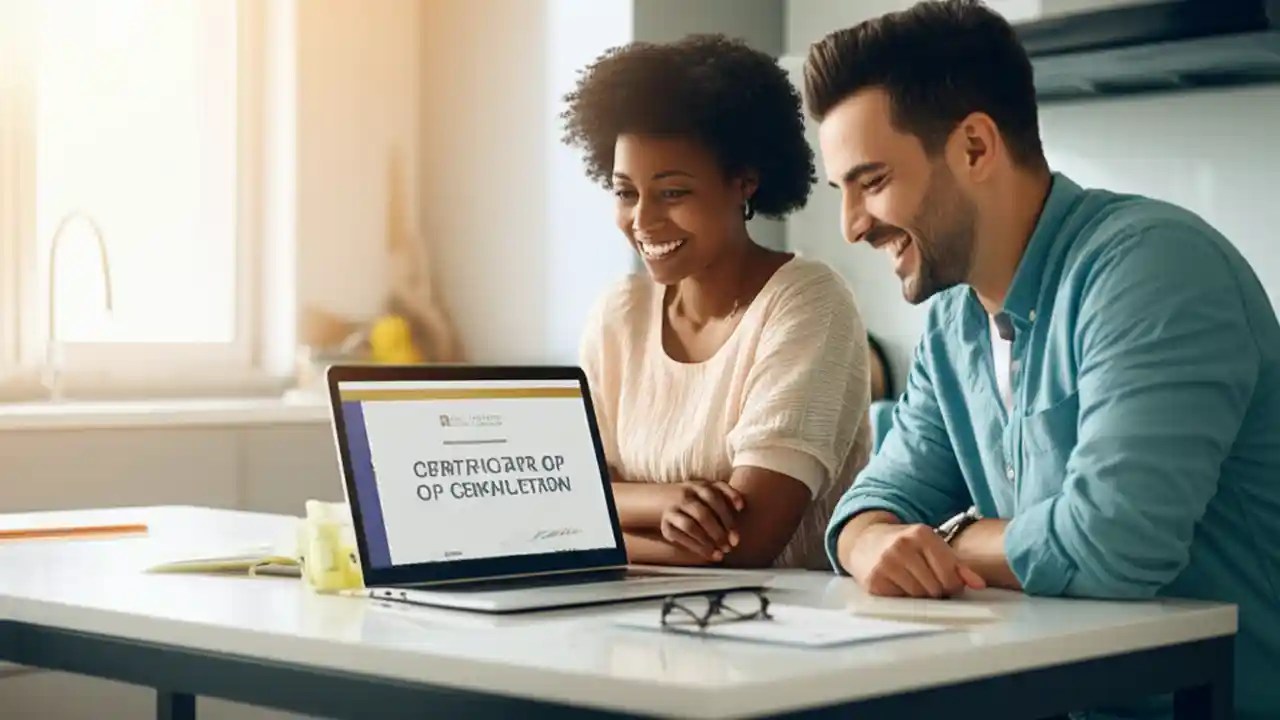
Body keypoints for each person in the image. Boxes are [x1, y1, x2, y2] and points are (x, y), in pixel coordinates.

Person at [805, 1, 1280, 717]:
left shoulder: (1151, 269)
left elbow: (1113, 547)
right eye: (842, 191)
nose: (851, 226)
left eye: (871, 182)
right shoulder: (952, 324)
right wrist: (872, 545)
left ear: (974, 147)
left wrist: (947, 540)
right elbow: (868, 510)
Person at [562, 35, 872, 570]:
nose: (642, 221)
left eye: (672, 193)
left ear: (743, 182)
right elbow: (565, 501)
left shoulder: (806, 302)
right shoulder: (619, 314)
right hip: (628, 623)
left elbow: (746, 546)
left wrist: (592, 532)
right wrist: (664, 502)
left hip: (786, 633)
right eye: (625, 192)